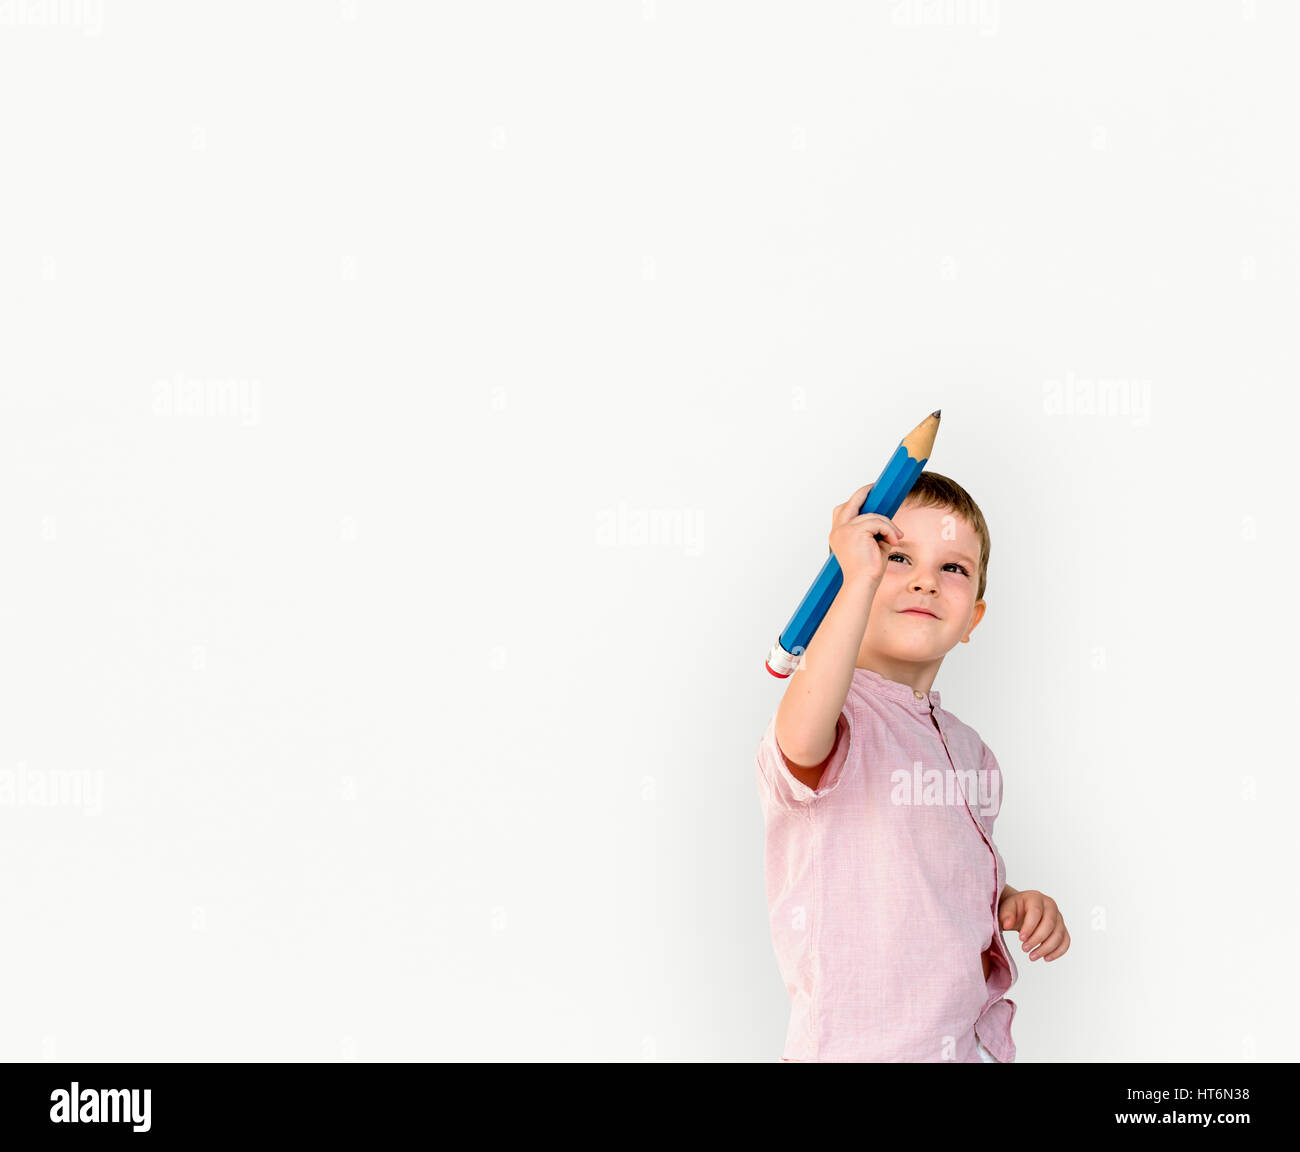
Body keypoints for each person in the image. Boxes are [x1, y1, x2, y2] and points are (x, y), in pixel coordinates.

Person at [756, 472, 1070, 1061]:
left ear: (973, 617)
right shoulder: (835, 711)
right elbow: (800, 737)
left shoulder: (970, 750)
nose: (926, 579)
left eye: (954, 568)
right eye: (897, 557)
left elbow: (939, 883)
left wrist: (1009, 902)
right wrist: (856, 579)